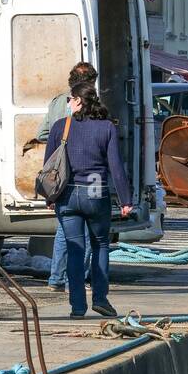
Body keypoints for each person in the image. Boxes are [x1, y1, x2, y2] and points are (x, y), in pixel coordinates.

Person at [44, 83, 132, 318]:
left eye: (70, 99)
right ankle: (101, 299)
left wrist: (49, 197)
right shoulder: (106, 128)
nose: (68, 103)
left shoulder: (60, 127)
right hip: (95, 190)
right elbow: (116, 166)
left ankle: (77, 307)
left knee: (75, 250)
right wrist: (125, 199)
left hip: (67, 194)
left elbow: (49, 166)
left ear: (79, 102)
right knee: (100, 245)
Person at [30, 63, 99, 292]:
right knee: (88, 231)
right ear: (90, 82)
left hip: (60, 176)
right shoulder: (88, 104)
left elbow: (41, 134)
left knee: (63, 230)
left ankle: (56, 279)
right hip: (85, 176)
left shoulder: (56, 102)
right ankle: (76, 280)